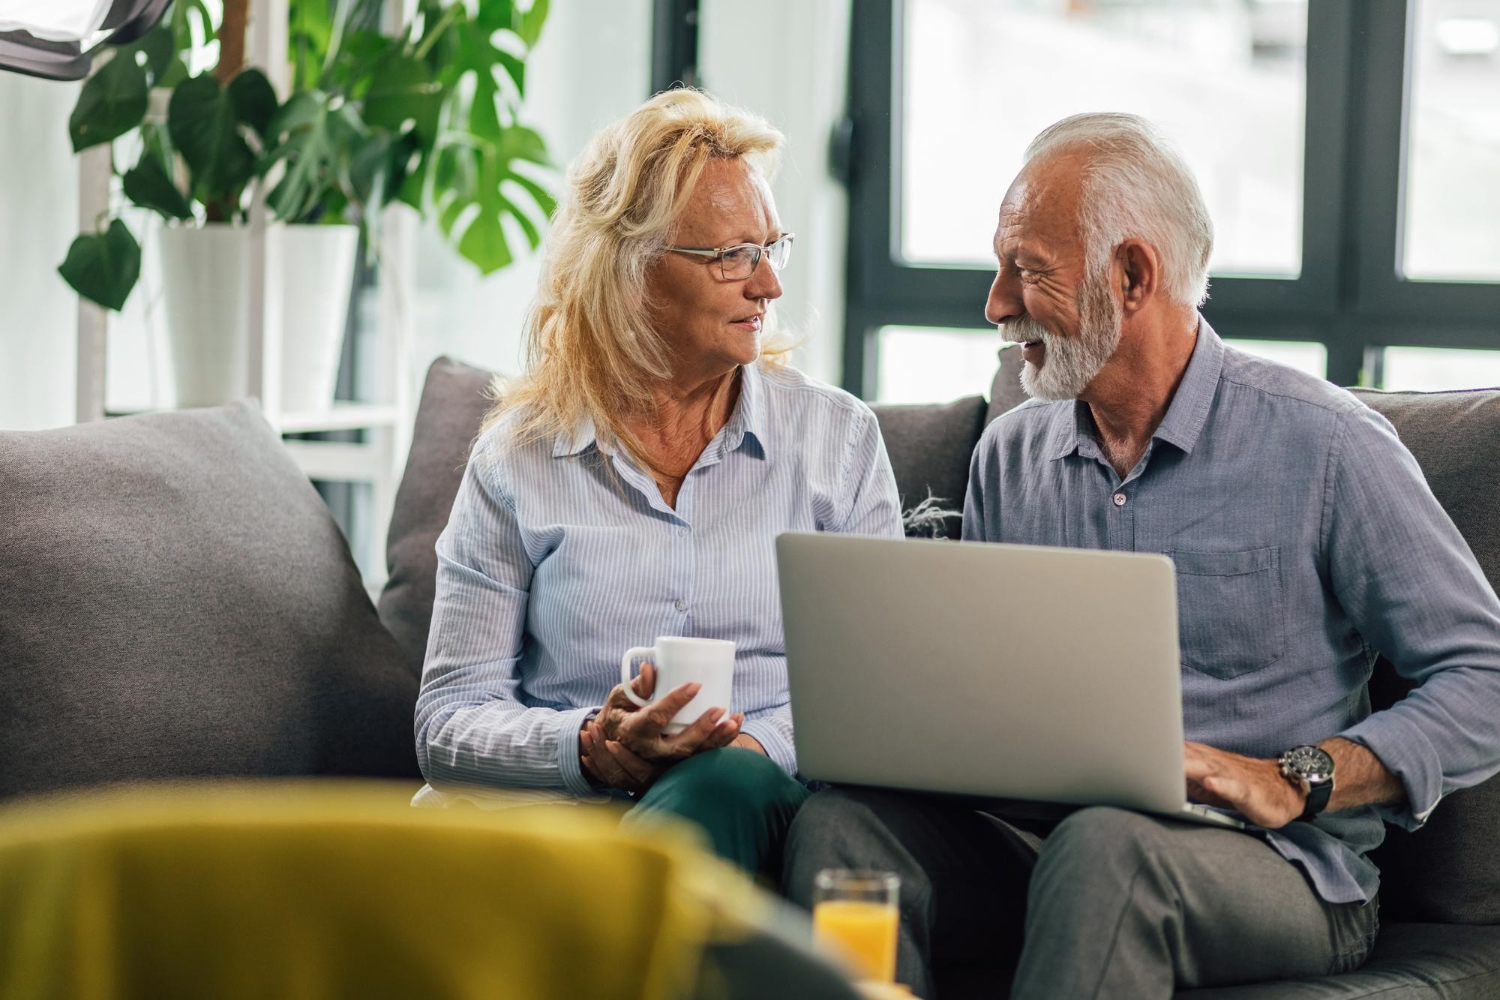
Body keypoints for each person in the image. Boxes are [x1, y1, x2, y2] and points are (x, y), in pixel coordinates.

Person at [782, 112, 1500, 997]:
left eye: (1027, 270)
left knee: (1107, 849)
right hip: (1047, 841)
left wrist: (1298, 776)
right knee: (843, 827)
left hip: (1278, 870)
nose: (995, 304)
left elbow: (1484, 676)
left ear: (1131, 275)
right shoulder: (1013, 454)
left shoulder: (1326, 447)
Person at [413, 89, 903, 877]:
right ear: (633, 272)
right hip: (557, 822)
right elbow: (447, 720)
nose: (768, 286)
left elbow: (879, 694)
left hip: (755, 803)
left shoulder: (837, 444)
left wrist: (748, 745)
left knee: (722, 784)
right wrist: (591, 747)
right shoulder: (518, 458)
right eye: (731, 257)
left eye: (771, 249)